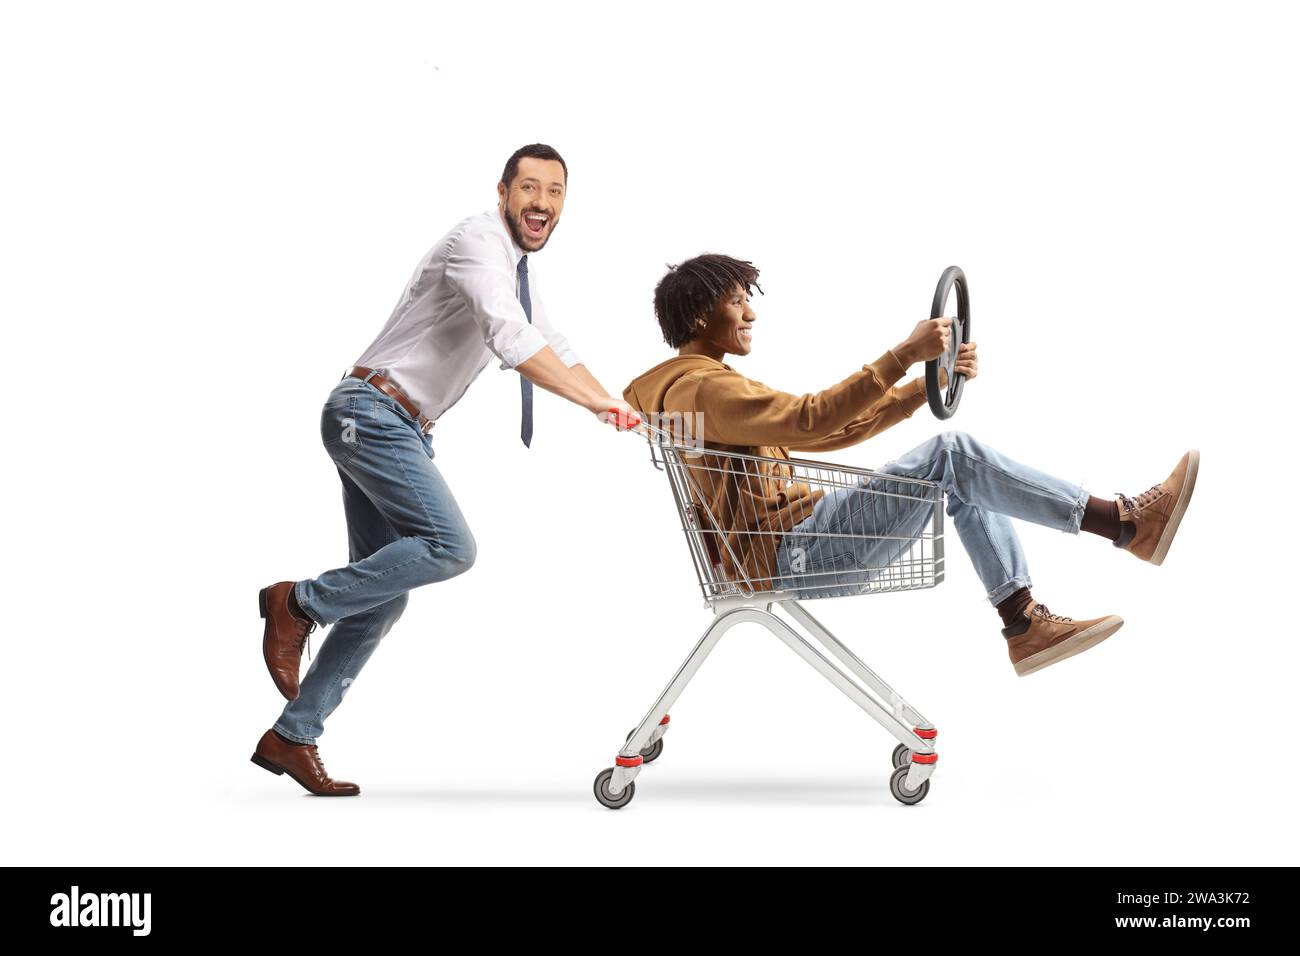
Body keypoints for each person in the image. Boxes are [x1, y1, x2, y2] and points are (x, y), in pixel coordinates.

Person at [252, 144, 636, 795]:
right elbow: (510, 339)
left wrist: (615, 407)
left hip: (397, 425)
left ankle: (293, 736)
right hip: (369, 413)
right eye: (530, 188)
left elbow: (552, 343)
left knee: (382, 597)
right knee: (450, 547)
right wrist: (594, 401)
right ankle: (298, 602)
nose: (542, 202)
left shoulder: (517, 269)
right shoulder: (477, 242)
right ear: (504, 192)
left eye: (555, 192)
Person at [622, 254, 1198, 678]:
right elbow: (809, 420)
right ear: (700, 314)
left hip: (793, 544)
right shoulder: (703, 392)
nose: (751, 313)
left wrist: (927, 386)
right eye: (737, 300)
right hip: (794, 549)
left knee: (960, 472)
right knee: (953, 455)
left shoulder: (695, 390)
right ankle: (1124, 525)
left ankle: (1024, 625)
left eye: (750, 298)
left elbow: (835, 430)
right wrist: (903, 355)